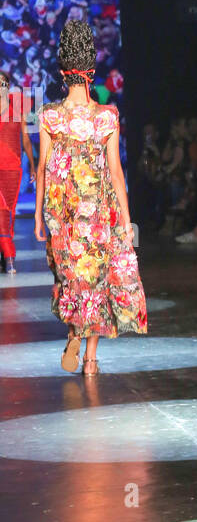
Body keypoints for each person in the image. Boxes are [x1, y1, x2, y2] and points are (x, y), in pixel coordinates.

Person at [34, 19, 147, 376]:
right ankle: (91, 359)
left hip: (66, 214)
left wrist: (38, 217)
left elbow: (42, 170)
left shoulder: (50, 116)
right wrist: (127, 220)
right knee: (97, 281)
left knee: (73, 279)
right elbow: (116, 172)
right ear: (91, 68)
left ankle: (73, 333)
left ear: (63, 69)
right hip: (99, 214)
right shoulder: (107, 117)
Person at [0, 72, 36, 274]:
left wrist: (32, 164)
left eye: (2, 82)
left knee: (9, 213)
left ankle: (5, 254)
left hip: (13, 169)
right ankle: (9, 257)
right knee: (1, 211)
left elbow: (26, 139)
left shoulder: (17, 111)